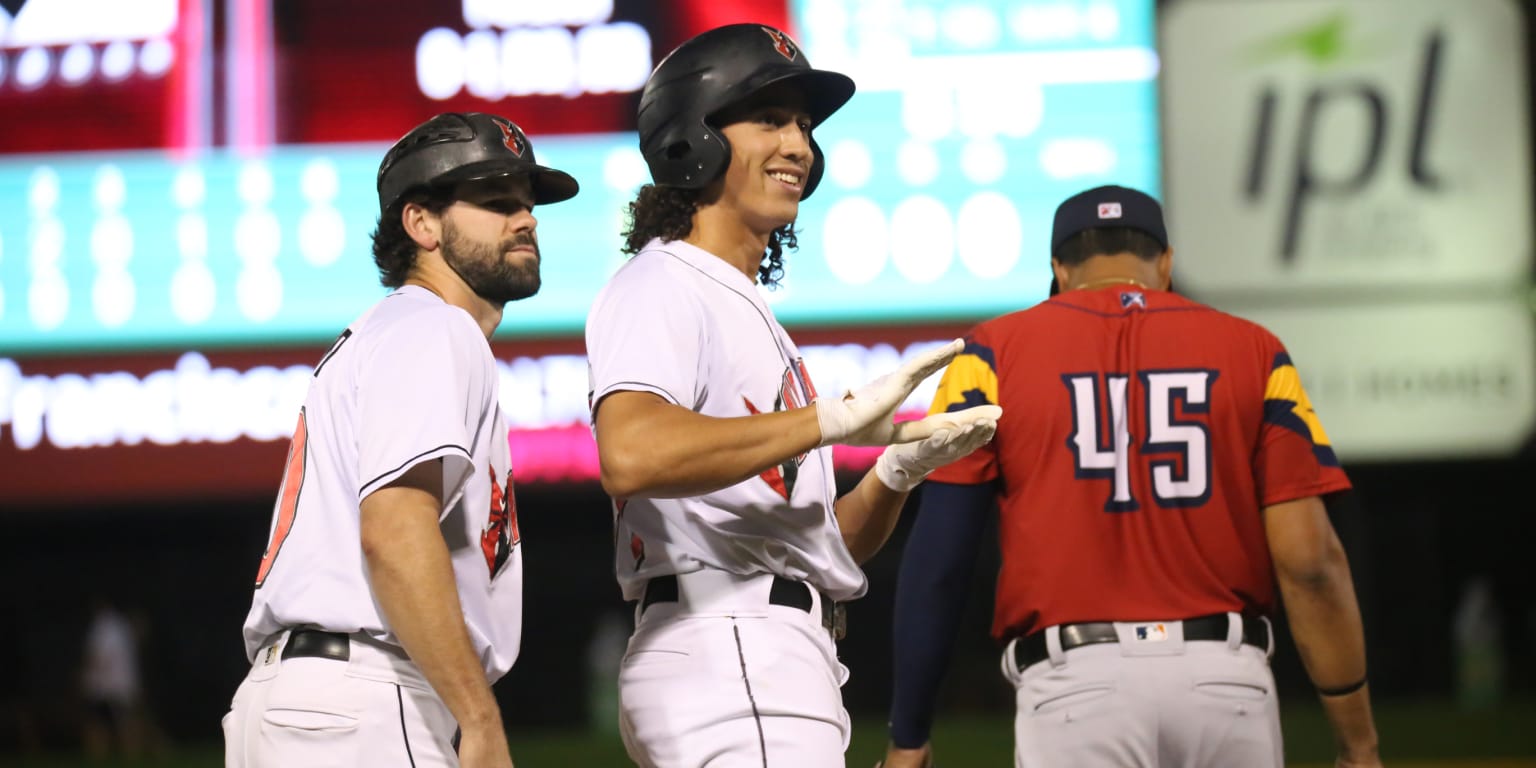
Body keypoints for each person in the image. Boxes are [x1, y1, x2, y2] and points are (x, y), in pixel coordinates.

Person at [584, 23, 1002, 768]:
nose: (799, 146)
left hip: (758, 649)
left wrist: (897, 473)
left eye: (803, 126)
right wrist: (827, 421)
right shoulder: (663, 283)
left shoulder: (737, 303)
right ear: (692, 139)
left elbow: (818, 545)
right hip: (730, 646)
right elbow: (631, 452)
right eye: (770, 119)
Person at [881, 185, 1382, 768]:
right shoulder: (1256, 350)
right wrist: (1358, 742)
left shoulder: (989, 355)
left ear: (1059, 270)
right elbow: (1311, 562)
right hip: (1227, 683)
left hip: (1076, 689)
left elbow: (940, 562)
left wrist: (908, 734)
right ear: (1165, 262)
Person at [224, 112, 578, 768]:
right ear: (422, 224)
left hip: (309, 703)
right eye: (497, 202)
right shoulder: (432, 329)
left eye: (528, 204)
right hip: (364, 702)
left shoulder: (392, 331)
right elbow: (394, 529)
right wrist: (479, 718)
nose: (525, 218)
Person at [80, 596, 145, 759]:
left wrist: (83, 676)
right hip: (124, 684)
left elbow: (98, 657)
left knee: (104, 725)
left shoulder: (103, 626)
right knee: (124, 724)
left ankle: (103, 757)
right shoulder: (121, 625)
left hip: (107, 685)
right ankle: (131, 757)